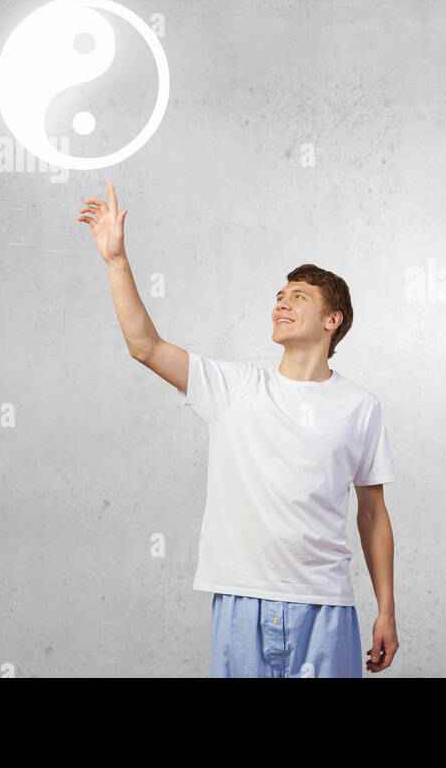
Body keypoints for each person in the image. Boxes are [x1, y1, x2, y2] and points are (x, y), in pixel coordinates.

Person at [77, 182, 399, 677]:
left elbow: (373, 515)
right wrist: (116, 261)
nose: (281, 304)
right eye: (278, 296)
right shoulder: (232, 386)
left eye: (298, 296)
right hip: (241, 601)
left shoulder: (360, 406)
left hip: (326, 607)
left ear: (333, 319)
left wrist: (387, 610)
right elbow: (145, 346)